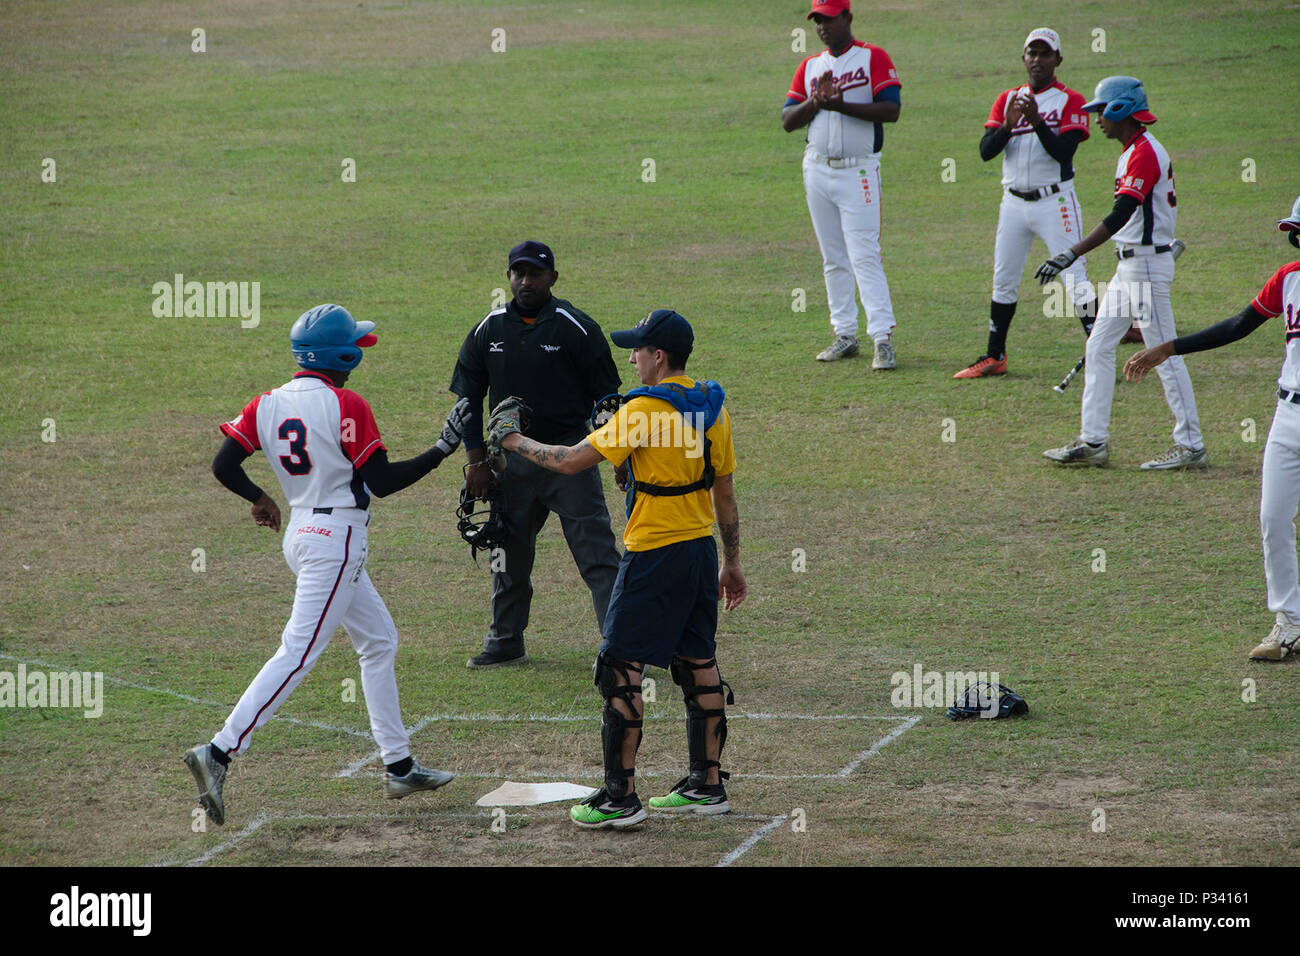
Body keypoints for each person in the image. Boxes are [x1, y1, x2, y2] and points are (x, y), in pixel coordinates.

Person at [184, 304, 468, 826]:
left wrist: (260, 496)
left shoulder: (265, 403)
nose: (359, 352)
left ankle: (399, 765)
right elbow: (381, 482)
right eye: (354, 346)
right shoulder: (346, 403)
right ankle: (218, 753)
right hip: (334, 541)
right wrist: (441, 450)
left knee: (379, 640)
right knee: (297, 652)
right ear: (342, 355)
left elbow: (224, 464)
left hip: (302, 533)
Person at [488, 309, 747, 829]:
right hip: (698, 553)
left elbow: (566, 461)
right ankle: (707, 784)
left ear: (659, 356)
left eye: (637, 350)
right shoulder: (712, 406)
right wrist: (733, 561)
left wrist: (512, 441)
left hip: (653, 552)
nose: (631, 359)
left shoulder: (642, 410)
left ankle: (618, 798)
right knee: (698, 660)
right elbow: (723, 490)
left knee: (620, 669)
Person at [1125, 197, 1300, 661]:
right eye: (1294, 232)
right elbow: (1238, 326)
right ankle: (1289, 624)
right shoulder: (1288, 279)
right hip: (1289, 414)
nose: (1295, 239)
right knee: (1272, 518)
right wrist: (1169, 348)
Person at [450, 240, 623, 668]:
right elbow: (469, 402)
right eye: (518, 273)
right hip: (509, 465)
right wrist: (475, 462)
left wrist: (620, 457)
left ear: (553, 278)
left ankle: (622, 644)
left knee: (597, 556)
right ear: (508, 277)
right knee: (506, 555)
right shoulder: (487, 330)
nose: (526, 281)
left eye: (535, 274)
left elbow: (607, 401)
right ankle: (505, 641)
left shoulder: (575, 327)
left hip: (571, 457)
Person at [1037, 76, 1206, 470]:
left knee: (1163, 354)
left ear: (1120, 110)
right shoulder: (1132, 150)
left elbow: (1119, 215)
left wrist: (1071, 253)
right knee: (1097, 345)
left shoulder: (1144, 152)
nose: (1097, 120)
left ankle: (1191, 445)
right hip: (1131, 265)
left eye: (1101, 112)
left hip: (1145, 266)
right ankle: (1093, 441)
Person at [955, 28, 1099, 380]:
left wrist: (1035, 122)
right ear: (1023, 58)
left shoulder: (1071, 100)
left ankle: (1101, 350)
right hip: (1013, 204)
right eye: (1031, 53)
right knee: (1003, 279)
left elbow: (1064, 152)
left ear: (1058, 60)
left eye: (1044, 54)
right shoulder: (1007, 99)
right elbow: (986, 152)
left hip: (1055, 201)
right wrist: (1008, 126)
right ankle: (995, 356)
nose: (1037, 60)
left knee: (1074, 276)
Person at [782, 0, 901, 369]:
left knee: (864, 254)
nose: (823, 27)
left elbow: (891, 109)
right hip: (816, 169)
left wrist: (838, 104)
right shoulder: (811, 66)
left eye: (830, 19)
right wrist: (817, 101)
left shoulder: (872, 58)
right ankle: (845, 333)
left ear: (847, 17)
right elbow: (788, 119)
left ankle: (882, 338)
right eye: (818, 20)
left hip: (859, 171)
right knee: (833, 257)